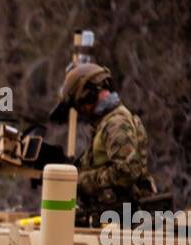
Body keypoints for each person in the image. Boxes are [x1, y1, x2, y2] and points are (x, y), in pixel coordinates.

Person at [53, 63, 158, 210]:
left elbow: (126, 173)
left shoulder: (116, 124)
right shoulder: (106, 122)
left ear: (88, 95)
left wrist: (81, 180)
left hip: (122, 218)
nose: (81, 110)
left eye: (79, 104)